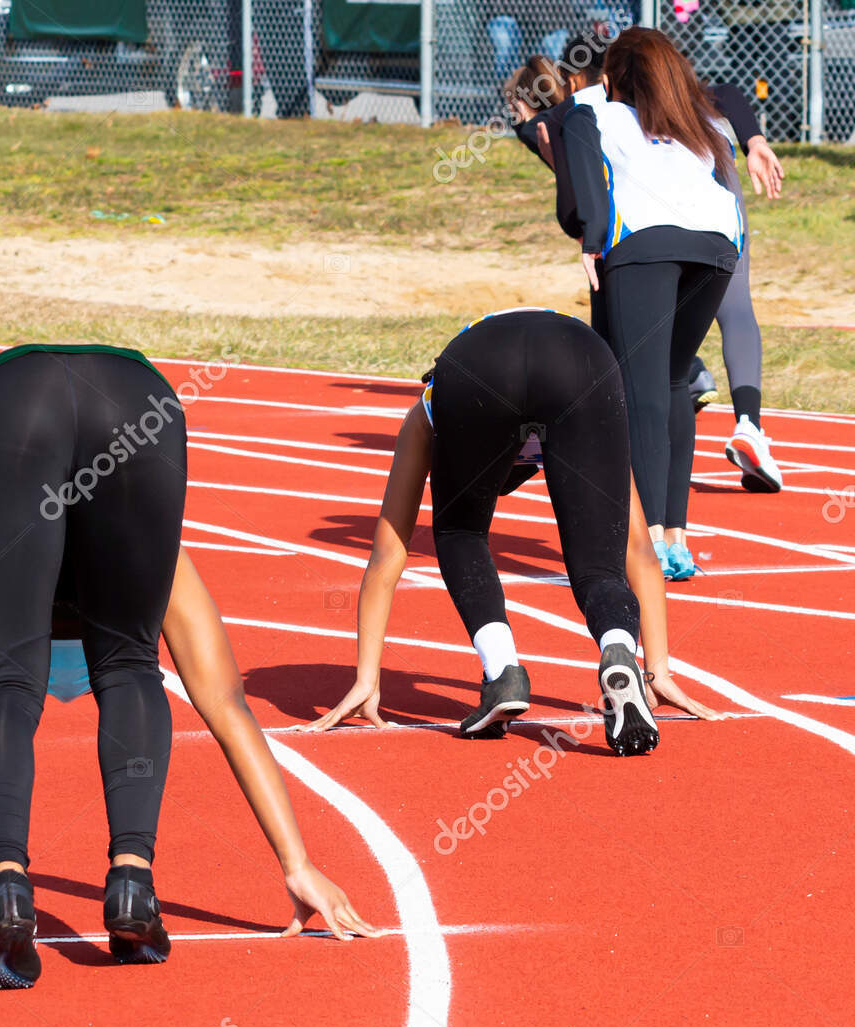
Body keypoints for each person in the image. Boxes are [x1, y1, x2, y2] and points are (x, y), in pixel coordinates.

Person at [0, 545, 381, 963]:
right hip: (119, 599)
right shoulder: (154, 549)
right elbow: (227, 710)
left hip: (6, 590)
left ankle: (5, 889)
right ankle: (133, 879)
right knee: (145, 680)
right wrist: (295, 864)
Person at [311, 309, 720, 755]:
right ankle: (618, 646)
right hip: (579, 357)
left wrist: (367, 679)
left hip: (480, 364)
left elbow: (387, 555)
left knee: (459, 533)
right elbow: (640, 550)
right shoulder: (548, 407)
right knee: (597, 565)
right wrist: (656, 669)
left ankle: (503, 670)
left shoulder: (429, 411)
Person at [511, 30, 786, 494]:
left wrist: (534, 135)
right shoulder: (683, 92)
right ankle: (746, 424)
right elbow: (731, 93)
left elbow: (564, 176)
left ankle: (556, 441)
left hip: (656, 224)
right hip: (718, 216)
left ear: (598, 75)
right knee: (730, 312)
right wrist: (754, 139)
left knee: (620, 338)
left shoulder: (592, 105)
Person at [562, 27, 744, 583]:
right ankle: (676, 540)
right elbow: (725, 180)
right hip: (717, 246)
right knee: (670, 384)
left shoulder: (592, 107)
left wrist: (591, 239)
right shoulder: (697, 119)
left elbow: (581, 172)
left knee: (638, 390)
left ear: (613, 76)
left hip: (646, 243)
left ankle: (646, 546)